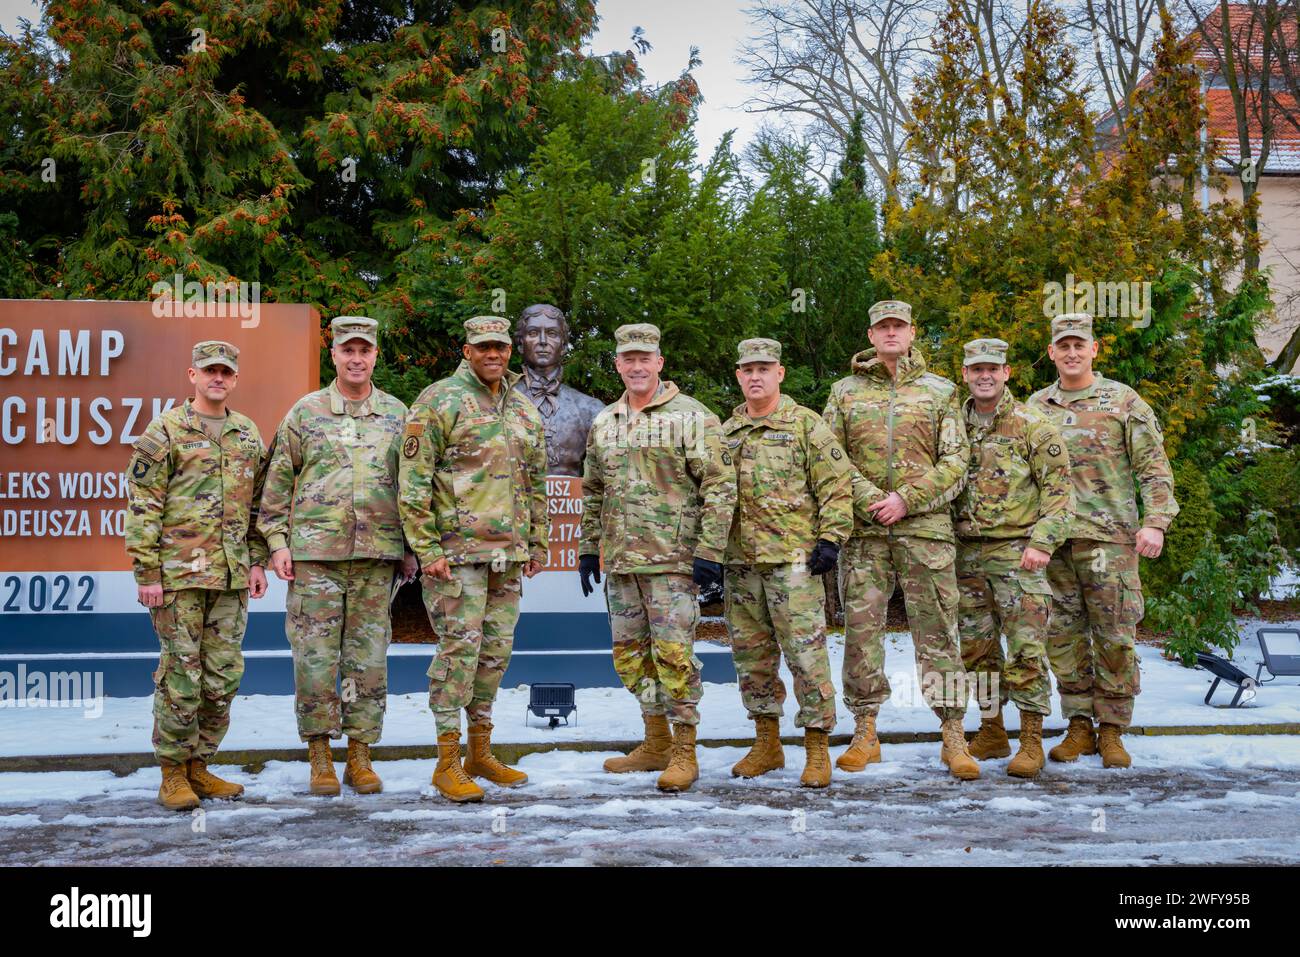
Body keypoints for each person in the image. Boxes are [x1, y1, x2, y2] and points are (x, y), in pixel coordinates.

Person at [259, 316, 417, 796]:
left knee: (367, 660)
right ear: (333, 355)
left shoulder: (397, 414)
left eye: (364, 350)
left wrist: (410, 548)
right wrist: (276, 542)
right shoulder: (305, 413)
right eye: (347, 350)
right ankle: (320, 755)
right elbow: (276, 483)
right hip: (315, 560)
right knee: (314, 660)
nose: (356, 358)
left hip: (376, 559)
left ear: (374, 356)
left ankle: (361, 756)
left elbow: (411, 486)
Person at [823, 300, 979, 780]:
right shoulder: (844, 393)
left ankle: (953, 734)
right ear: (871, 335)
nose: (890, 333)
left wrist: (907, 500)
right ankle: (865, 731)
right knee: (862, 635)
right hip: (867, 532)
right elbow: (830, 458)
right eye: (882, 327)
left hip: (926, 532)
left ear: (912, 332)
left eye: (899, 326)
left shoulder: (940, 392)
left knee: (938, 635)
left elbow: (957, 460)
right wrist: (873, 498)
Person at [578, 323, 737, 792]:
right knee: (630, 658)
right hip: (622, 565)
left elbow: (720, 486)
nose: (637, 366)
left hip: (674, 564)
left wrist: (710, 552)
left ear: (660, 362)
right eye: (628, 358)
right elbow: (593, 489)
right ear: (618, 365)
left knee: (674, 658)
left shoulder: (692, 417)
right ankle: (655, 741)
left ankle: (685, 749)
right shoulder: (606, 421)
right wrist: (589, 548)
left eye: (645, 357)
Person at [399, 315, 548, 802]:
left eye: (500, 348)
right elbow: (412, 483)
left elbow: (534, 481)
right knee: (457, 658)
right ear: (466, 350)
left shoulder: (523, 409)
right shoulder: (438, 400)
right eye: (483, 347)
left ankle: (480, 752)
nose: (493, 355)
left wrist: (537, 542)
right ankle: (446, 763)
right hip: (455, 558)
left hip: (507, 557)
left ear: (510, 351)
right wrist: (427, 550)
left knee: (493, 657)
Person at [1029, 313, 1179, 768]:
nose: (1072, 353)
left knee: (1115, 634)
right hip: (1054, 543)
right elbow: (1020, 474)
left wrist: (1155, 522)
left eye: (1080, 345)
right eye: (1063, 346)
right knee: (1062, 635)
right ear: (1052, 353)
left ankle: (1112, 728)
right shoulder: (1036, 407)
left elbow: (1153, 464)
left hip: (1110, 540)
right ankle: (1077, 725)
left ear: (1094, 350)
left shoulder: (1122, 400)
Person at [125, 340, 269, 810]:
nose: (218, 378)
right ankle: (172, 771)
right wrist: (147, 572)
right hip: (178, 579)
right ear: (192, 375)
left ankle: (200, 766)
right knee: (180, 678)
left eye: (226, 372)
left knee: (222, 677)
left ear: (235, 378)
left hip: (230, 579)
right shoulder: (165, 431)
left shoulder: (247, 433)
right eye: (210, 371)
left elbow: (259, 506)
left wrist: (259, 559)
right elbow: (143, 504)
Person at [721, 338, 854, 788]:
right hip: (740, 564)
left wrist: (831, 540)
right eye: (747, 369)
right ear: (738, 376)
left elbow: (837, 486)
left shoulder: (806, 426)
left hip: (795, 562)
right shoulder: (726, 432)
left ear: (780, 373)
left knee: (805, 654)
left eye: (765, 368)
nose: (755, 376)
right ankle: (767, 743)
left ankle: (817, 747)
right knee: (752, 658)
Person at [954, 337, 1073, 778]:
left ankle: (1031, 740)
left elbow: (1061, 495)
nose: (984, 376)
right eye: (975, 369)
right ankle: (990, 730)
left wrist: (1042, 543)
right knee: (976, 651)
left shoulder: (1032, 425)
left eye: (993, 369)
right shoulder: (952, 426)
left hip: (1017, 554)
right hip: (964, 557)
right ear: (965, 375)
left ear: (1006, 374)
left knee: (1025, 649)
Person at [511, 303, 605, 476]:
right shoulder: (501, 402)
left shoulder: (590, 409)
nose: (543, 341)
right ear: (520, 344)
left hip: (569, 501)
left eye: (552, 333)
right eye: (533, 333)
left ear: (563, 346)